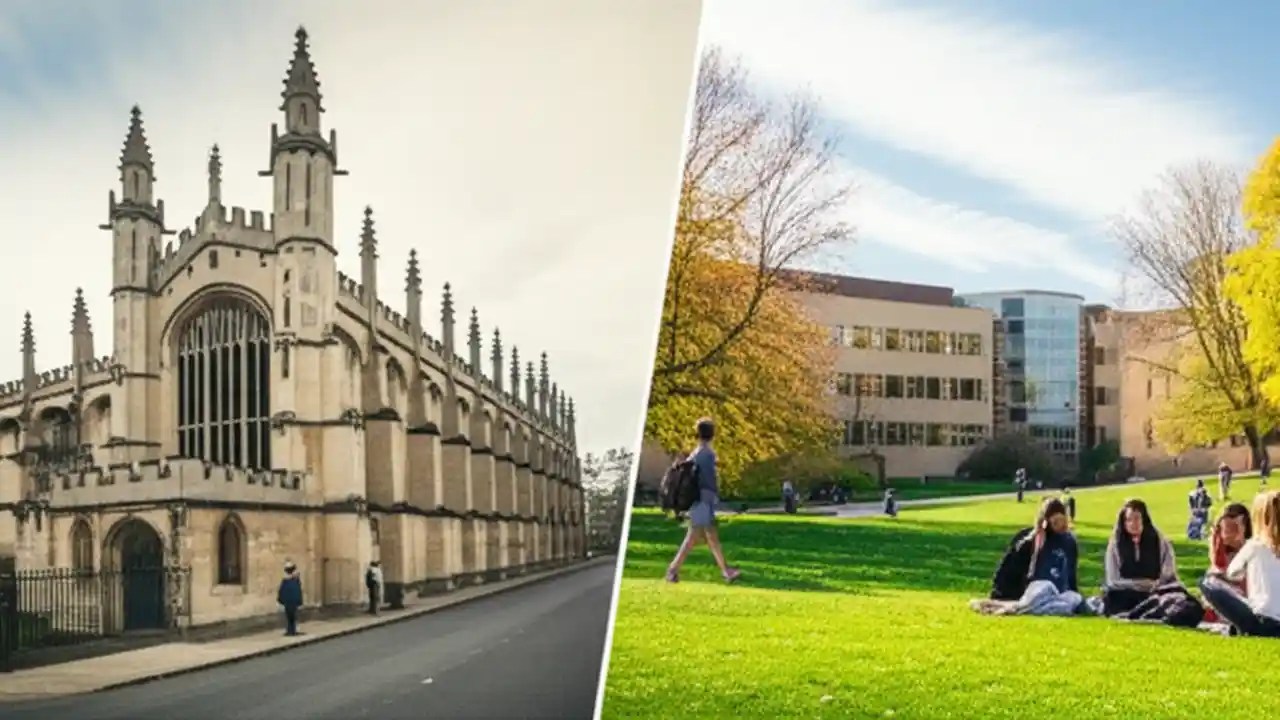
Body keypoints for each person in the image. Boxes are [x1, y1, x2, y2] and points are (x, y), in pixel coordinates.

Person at [665, 418, 741, 584]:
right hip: (702, 501)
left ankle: (726, 570)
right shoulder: (707, 454)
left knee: (708, 536)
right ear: (712, 434)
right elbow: (708, 481)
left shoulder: (697, 452)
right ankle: (673, 570)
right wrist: (715, 498)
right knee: (695, 536)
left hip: (698, 500)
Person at [1199, 491, 1280, 637]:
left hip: (1263, 620)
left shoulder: (1254, 545)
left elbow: (1232, 574)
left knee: (1208, 583)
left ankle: (1232, 628)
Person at [988, 497, 1079, 601]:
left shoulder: (1068, 542)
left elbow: (1070, 574)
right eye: (1056, 522)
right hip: (1024, 593)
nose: (1060, 526)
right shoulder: (1028, 540)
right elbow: (1011, 571)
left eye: (1062, 521)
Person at [1101, 499, 1180, 616]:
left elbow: (1168, 573)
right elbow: (1113, 580)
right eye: (1129, 520)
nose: (1133, 524)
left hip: (1155, 591)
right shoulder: (1115, 544)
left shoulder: (1159, 541)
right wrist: (1140, 584)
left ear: (1144, 519)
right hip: (1125, 592)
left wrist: (1153, 585)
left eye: (1137, 518)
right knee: (1112, 597)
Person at [1203, 502, 1252, 624]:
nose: (1227, 535)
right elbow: (1218, 570)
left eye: (1233, 529)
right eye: (1225, 529)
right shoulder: (1221, 550)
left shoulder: (1253, 550)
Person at [277, 560, 303, 636]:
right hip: (291, 601)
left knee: (290, 616)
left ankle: (291, 630)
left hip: (289, 601)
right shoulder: (294, 580)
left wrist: (280, 600)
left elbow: (282, 591)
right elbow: (297, 591)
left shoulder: (287, 580)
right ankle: (291, 630)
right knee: (292, 616)